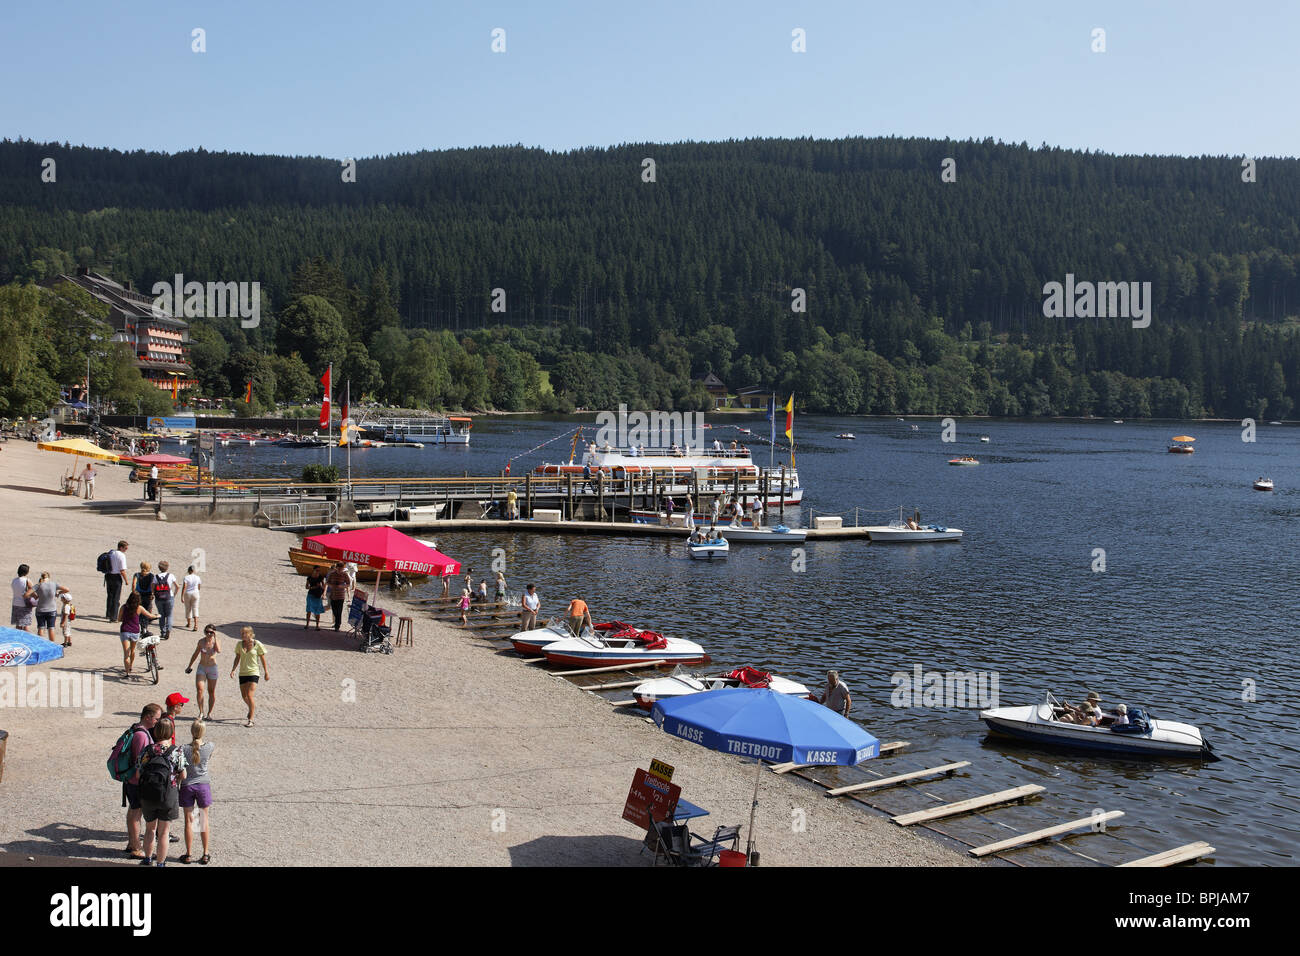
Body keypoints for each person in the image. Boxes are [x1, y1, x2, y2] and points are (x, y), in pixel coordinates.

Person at [137, 716, 186, 866]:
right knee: (164, 832)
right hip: (168, 794)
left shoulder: (147, 750)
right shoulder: (176, 751)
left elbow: (139, 773)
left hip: (148, 794)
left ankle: (147, 858)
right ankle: (160, 862)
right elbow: (183, 774)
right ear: (171, 732)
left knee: (150, 829)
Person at [123, 703, 162, 859]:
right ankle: (135, 847)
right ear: (148, 717)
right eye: (156, 719)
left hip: (131, 779)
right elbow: (141, 761)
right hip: (136, 781)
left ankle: (131, 842)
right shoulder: (141, 735)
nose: (157, 722)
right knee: (135, 813)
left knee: (133, 810)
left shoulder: (136, 729)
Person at [179, 720, 214, 865]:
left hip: (188, 785)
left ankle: (188, 853)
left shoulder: (183, 749)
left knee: (189, 821)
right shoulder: (210, 746)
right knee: (203, 820)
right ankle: (205, 853)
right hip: (203, 785)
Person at [230, 626, 268, 727]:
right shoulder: (239, 644)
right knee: (244, 696)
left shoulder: (257, 644)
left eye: (244, 633)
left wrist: (266, 672)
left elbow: (263, 659)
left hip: (254, 672)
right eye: (241, 633)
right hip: (243, 673)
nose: (242, 635)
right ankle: (251, 708)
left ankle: (250, 719)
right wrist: (233, 670)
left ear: (250, 634)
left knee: (250, 694)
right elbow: (237, 658)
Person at [118, 591, 159, 675]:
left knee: (126, 654)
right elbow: (149, 615)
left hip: (125, 631)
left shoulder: (123, 607)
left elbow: (119, 619)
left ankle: (127, 673)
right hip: (135, 631)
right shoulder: (139, 608)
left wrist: (125, 619)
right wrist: (157, 616)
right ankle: (130, 666)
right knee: (132, 651)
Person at [185, 625, 221, 719]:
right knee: (200, 689)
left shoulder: (216, 641)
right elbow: (196, 654)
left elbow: (218, 650)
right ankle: (201, 712)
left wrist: (215, 637)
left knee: (211, 691)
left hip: (212, 668)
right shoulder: (201, 642)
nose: (209, 634)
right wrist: (189, 666)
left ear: (214, 633)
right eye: (207, 632)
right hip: (202, 667)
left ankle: (209, 713)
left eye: (211, 632)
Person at [33, 571, 69, 643]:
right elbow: (67, 589)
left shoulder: (38, 585)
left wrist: (35, 596)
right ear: (48, 577)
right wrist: (59, 593)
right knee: (51, 628)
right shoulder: (53, 584)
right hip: (52, 609)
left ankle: (40, 644)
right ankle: (52, 644)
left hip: (40, 609)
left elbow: (27, 594)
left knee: (41, 628)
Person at [105, 540, 129, 622]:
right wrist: (126, 580)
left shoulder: (111, 553)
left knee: (110, 595)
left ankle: (108, 614)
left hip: (108, 576)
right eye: (125, 548)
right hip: (116, 577)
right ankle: (114, 617)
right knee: (116, 597)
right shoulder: (121, 555)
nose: (126, 550)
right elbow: (122, 570)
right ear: (121, 547)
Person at [153, 560, 177, 640]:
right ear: (167, 567)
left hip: (159, 598)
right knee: (169, 615)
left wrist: (153, 594)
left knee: (161, 615)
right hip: (169, 597)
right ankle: (168, 630)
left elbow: (152, 588)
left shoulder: (156, 577)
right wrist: (174, 594)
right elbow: (177, 586)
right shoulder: (171, 576)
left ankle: (162, 632)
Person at [10, 564, 36, 632]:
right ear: (26, 572)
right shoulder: (27, 580)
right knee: (25, 625)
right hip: (24, 605)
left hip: (15, 604)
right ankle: (27, 641)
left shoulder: (14, 580)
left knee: (18, 625)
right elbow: (32, 591)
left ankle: (18, 639)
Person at [325, 561, 351, 630]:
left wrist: (342, 586)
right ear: (336, 568)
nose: (340, 570)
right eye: (339, 569)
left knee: (339, 611)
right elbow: (327, 582)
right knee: (334, 610)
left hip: (341, 595)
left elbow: (348, 584)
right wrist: (332, 585)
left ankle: (337, 625)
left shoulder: (345, 574)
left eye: (341, 569)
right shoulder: (332, 574)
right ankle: (337, 622)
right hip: (333, 594)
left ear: (343, 568)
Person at [181, 564, 201, 630]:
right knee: (195, 608)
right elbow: (199, 587)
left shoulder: (186, 577)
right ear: (194, 570)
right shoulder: (198, 577)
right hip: (195, 593)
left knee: (188, 608)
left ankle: (189, 623)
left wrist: (182, 596)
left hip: (188, 593)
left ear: (189, 571)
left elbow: (184, 587)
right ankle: (196, 625)